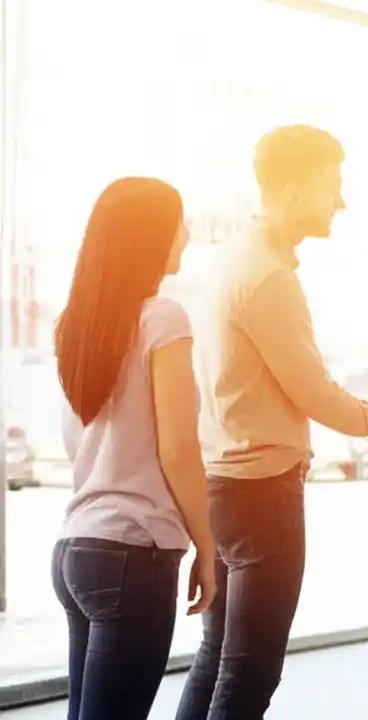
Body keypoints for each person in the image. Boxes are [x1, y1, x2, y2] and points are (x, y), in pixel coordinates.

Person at [175, 125, 368, 720]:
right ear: (291, 190)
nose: (341, 201)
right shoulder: (269, 278)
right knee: (251, 668)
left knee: (218, 656)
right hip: (261, 493)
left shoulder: (234, 258)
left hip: (223, 484)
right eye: (332, 186)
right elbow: (313, 393)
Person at [53, 177, 218, 720]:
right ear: (149, 236)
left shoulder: (77, 328)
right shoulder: (163, 318)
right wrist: (207, 547)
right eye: (177, 224)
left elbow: (79, 443)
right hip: (132, 554)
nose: (187, 235)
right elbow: (177, 449)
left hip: (77, 550)